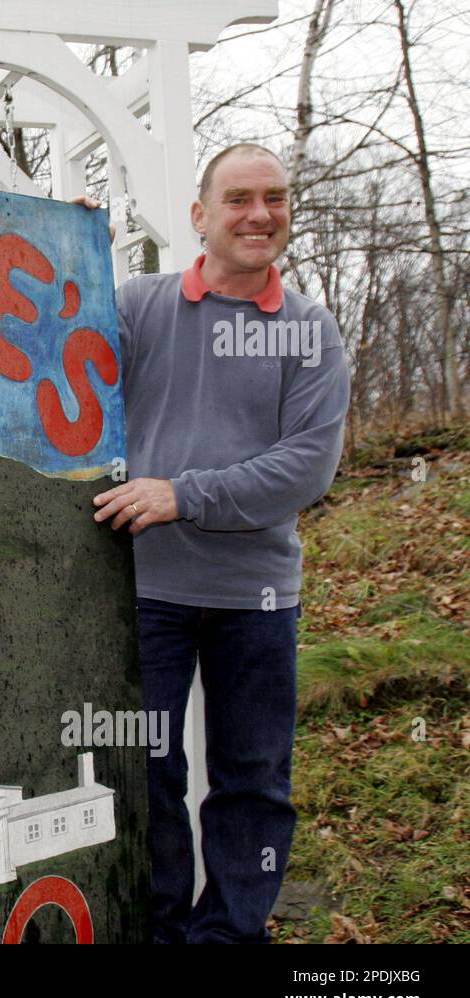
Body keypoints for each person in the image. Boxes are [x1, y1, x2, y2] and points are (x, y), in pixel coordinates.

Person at [85, 143, 350, 942]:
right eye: (238, 198)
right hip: (146, 589)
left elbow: (306, 468)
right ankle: (160, 929)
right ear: (200, 216)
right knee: (146, 771)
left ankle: (229, 935)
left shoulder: (308, 330)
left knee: (253, 781)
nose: (259, 213)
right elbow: (67, 386)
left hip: (256, 597)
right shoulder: (138, 306)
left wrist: (182, 493)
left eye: (274, 197)